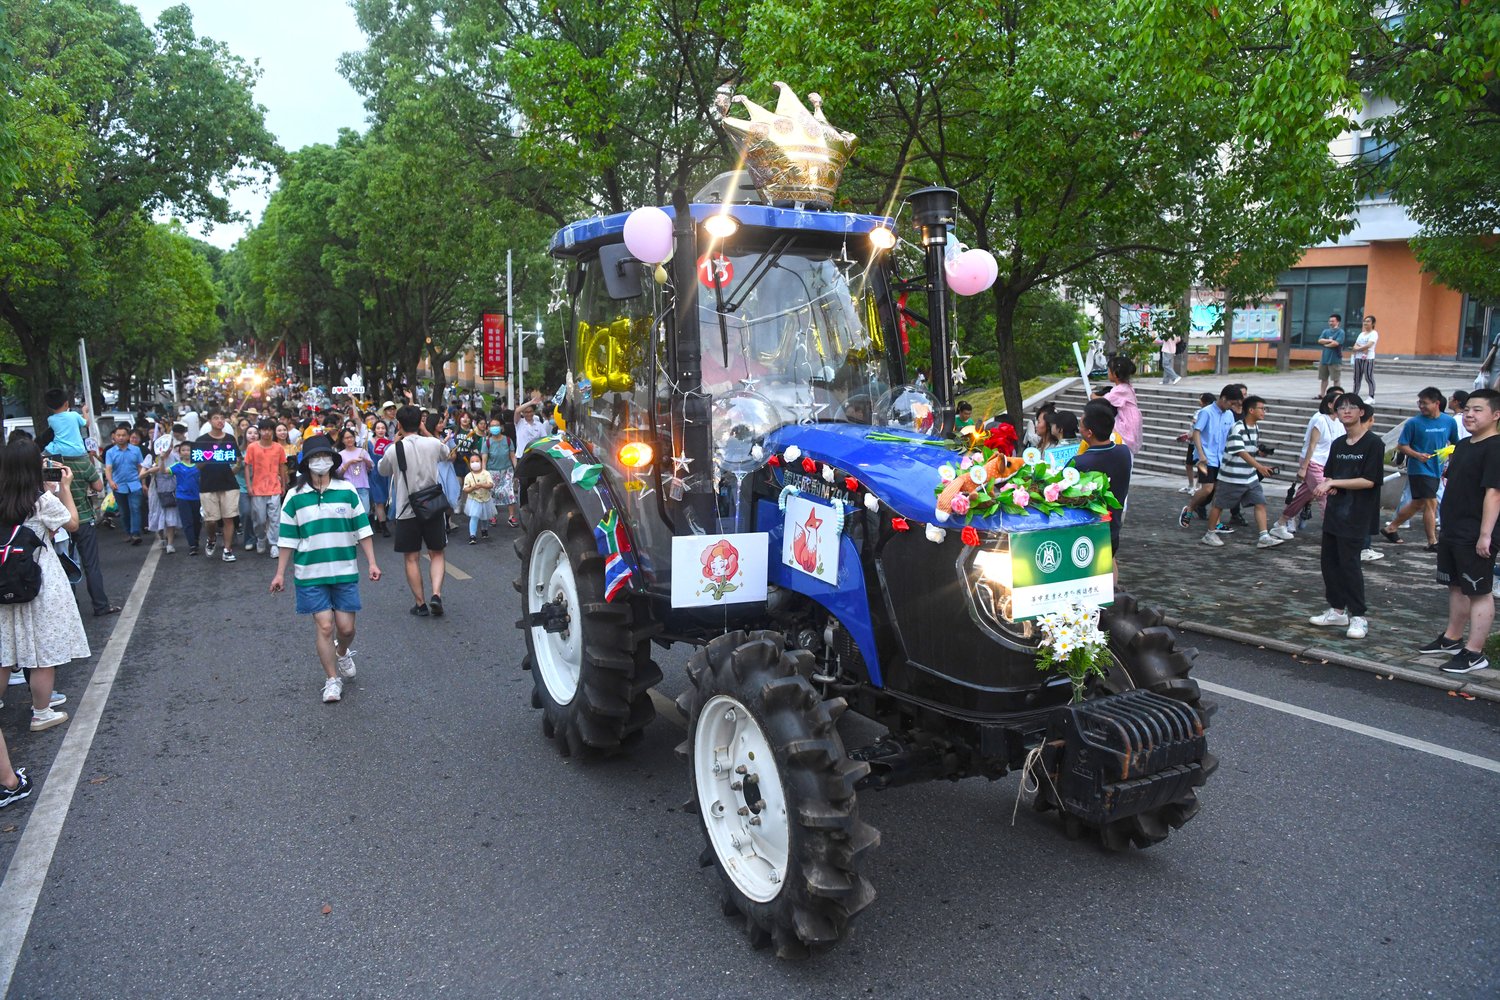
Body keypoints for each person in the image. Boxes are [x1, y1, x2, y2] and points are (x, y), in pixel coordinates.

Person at [270, 434, 381, 704]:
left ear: (332, 460)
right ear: (306, 463)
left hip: (344, 570)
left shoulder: (347, 490)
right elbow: (287, 539)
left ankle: (342, 652)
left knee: (346, 629)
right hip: (310, 573)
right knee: (325, 626)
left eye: (324, 456)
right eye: (315, 457)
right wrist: (280, 573)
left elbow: (362, 529)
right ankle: (332, 680)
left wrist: (372, 562)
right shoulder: (294, 497)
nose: (320, 461)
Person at [0, 443, 87, 732]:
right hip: (38, 580)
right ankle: (41, 712)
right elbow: (72, 523)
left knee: (4, 652)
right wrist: (65, 488)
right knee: (41, 653)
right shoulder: (41, 501)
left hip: (4, 579)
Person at [1418, 389, 1500, 674]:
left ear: (1496, 415)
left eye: (1478, 410)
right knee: (1456, 585)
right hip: (1453, 529)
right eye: (1467, 409)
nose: (1469, 415)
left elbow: (1494, 494)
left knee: (1478, 591)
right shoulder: (1464, 445)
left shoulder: (1496, 447)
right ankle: (1452, 639)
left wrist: (1485, 535)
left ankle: (1475, 653)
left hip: (1475, 532)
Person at [1308, 394, 1384, 639]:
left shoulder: (1373, 443)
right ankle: (1337, 610)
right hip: (1335, 512)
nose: (1346, 411)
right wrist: (1329, 485)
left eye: (1352, 407)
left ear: (1362, 412)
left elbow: (1369, 480)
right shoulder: (1339, 443)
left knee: (1350, 565)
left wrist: (1335, 483)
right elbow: (1331, 475)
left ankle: (1358, 616)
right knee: (1329, 563)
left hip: (1357, 514)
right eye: (1342, 407)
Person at [377, 405, 450, 617]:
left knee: (411, 558)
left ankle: (420, 604)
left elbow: (383, 470)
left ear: (398, 424)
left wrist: (394, 444)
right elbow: (446, 454)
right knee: (437, 552)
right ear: (420, 422)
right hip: (433, 507)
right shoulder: (433, 444)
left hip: (406, 509)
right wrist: (426, 432)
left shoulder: (395, 449)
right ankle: (436, 594)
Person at [1200, 396, 1284, 549]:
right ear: (1251, 410)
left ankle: (1264, 536)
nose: (1264, 412)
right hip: (1231, 477)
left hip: (1249, 477)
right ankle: (1210, 534)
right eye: (1262, 408)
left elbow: (1248, 450)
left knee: (1260, 503)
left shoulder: (1255, 427)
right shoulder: (1237, 428)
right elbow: (1240, 452)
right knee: (1219, 505)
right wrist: (1260, 467)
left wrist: (1259, 452)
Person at [1382, 387, 1459, 551]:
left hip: (1436, 469)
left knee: (1417, 504)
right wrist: (1417, 455)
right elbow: (1402, 446)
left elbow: (1454, 444)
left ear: (1436, 403)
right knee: (1431, 502)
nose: (1421, 406)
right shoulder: (1413, 423)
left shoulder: (1449, 422)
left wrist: (1452, 465)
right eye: (1420, 403)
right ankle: (1432, 542)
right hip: (1419, 469)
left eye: (1425, 403)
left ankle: (1391, 528)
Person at [1271, 391, 1341, 540]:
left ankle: (1280, 523)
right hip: (1313, 463)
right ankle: (1333, 534)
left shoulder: (1339, 422)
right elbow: (1312, 445)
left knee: (1303, 496)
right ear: (1330, 404)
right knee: (1325, 495)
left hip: (1327, 465)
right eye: (1339, 401)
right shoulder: (1320, 420)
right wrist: (1304, 467)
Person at [1073, 400, 1131, 578]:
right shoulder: (1124, 453)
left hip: (1087, 533)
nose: (1079, 427)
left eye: (1081, 424)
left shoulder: (1080, 463)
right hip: (1113, 529)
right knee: (1108, 569)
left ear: (1089, 433)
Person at [1181, 385, 1243, 528]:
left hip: (1222, 458)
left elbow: (1231, 434)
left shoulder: (1229, 414)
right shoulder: (1206, 412)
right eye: (1232, 403)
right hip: (1206, 458)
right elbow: (1197, 432)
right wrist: (1201, 454)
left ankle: (1216, 522)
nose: (1233, 407)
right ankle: (1189, 508)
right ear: (1224, 398)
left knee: (1218, 491)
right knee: (1207, 488)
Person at [194, 409, 242, 562]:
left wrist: (235, 468)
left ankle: (227, 550)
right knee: (211, 520)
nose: (220, 421)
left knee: (229, 517)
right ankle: (211, 538)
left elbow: (237, 461)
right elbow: (197, 466)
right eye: (216, 418)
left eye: (222, 418)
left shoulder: (230, 439)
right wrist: (210, 456)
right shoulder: (201, 441)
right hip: (208, 484)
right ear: (209, 421)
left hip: (229, 484)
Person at [245, 419, 289, 558]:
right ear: (260, 431)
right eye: (264, 429)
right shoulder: (252, 447)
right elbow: (247, 466)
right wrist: (249, 485)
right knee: (260, 519)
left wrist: (283, 485)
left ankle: (274, 543)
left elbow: (282, 466)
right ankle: (261, 537)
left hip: (274, 487)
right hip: (258, 488)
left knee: (275, 518)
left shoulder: (278, 448)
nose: (266, 432)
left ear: (272, 431)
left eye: (269, 429)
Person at [103, 424, 145, 544]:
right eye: (118, 435)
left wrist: (143, 483)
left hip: (135, 484)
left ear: (128, 437)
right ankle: (127, 532)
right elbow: (108, 468)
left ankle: (135, 533)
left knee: (135, 508)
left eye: (123, 435)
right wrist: (111, 482)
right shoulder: (110, 452)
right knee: (124, 511)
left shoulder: (136, 450)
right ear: (114, 437)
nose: (121, 437)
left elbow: (141, 467)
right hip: (119, 486)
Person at [142, 439, 180, 554]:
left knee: (170, 516)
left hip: (171, 489)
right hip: (156, 491)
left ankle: (170, 543)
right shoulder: (151, 457)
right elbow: (141, 475)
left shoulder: (175, 457)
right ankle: (162, 538)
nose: (169, 448)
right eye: (168, 446)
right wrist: (151, 470)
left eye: (171, 445)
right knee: (157, 515)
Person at [1100, 355, 1142, 454]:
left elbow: (1105, 400)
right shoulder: (1126, 386)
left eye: (1108, 371)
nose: (1107, 373)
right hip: (1131, 417)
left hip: (1127, 420)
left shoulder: (1120, 389)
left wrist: (1093, 396)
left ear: (1115, 374)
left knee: (1123, 443)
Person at [170, 441, 202, 555]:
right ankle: (192, 545)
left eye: (188, 450)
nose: (186, 452)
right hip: (182, 497)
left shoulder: (199, 464)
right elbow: (164, 471)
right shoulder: (177, 466)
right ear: (179, 453)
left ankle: (196, 540)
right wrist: (162, 460)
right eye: (183, 450)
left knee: (197, 521)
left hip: (197, 497)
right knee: (187, 521)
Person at [483, 416, 517, 528]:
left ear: (502, 427)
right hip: (492, 472)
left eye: (497, 425)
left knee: (510, 492)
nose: (494, 428)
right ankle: (493, 516)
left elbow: (512, 456)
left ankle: (511, 516)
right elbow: (484, 460)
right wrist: (483, 474)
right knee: (492, 494)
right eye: (492, 426)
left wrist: (516, 470)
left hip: (507, 470)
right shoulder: (487, 443)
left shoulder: (508, 440)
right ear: (489, 428)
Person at [40, 388, 89, 462]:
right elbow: (87, 423)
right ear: (66, 404)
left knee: (41, 456)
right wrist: (84, 411)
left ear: (49, 407)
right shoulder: (74, 415)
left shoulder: (51, 419)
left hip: (59, 450)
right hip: (78, 450)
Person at [337, 427, 374, 519]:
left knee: (365, 511)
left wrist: (364, 459)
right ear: (342, 440)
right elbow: (339, 474)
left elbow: (371, 467)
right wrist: (349, 463)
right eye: (346, 438)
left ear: (354, 438)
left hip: (362, 485)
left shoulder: (362, 451)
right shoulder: (340, 455)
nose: (349, 439)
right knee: (351, 513)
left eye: (351, 437)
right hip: (348, 486)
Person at [460, 457, 496, 545]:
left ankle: (484, 530)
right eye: (472, 461)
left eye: (477, 461)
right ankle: (472, 535)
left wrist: (482, 485)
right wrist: (472, 488)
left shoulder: (486, 473)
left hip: (485, 498)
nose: (475, 463)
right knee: (474, 516)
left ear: (481, 462)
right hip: (474, 500)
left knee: (485, 516)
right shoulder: (468, 476)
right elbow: (466, 489)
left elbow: (491, 485)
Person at [1316, 312, 1349, 399]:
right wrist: (1329, 341)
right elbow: (1320, 340)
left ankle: (1337, 395)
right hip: (1324, 359)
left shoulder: (1341, 332)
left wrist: (1326, 344)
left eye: (1332, 321)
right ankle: (1322, 394)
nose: (1330, 323)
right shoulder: (1325, 331)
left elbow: (1336, 343)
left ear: (1338, 322)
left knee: (1336, 379)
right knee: (1323, 378)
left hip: (1335, 359)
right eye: (1329, 321)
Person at [1350, 315, 1378, 402]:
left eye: (1368, 321)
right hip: (1358, 358)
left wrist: (1359, 348)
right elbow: (1355, 345)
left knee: (1368, 377)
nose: (1365, 323)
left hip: (1368, 358)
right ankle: (1354, 395)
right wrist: (1361, 349)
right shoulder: (1361, 334)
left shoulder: (1374, 333)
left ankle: (1371, 397)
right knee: (1357, 378)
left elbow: (1369, 345)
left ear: (1373, 323)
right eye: (1364, 321)